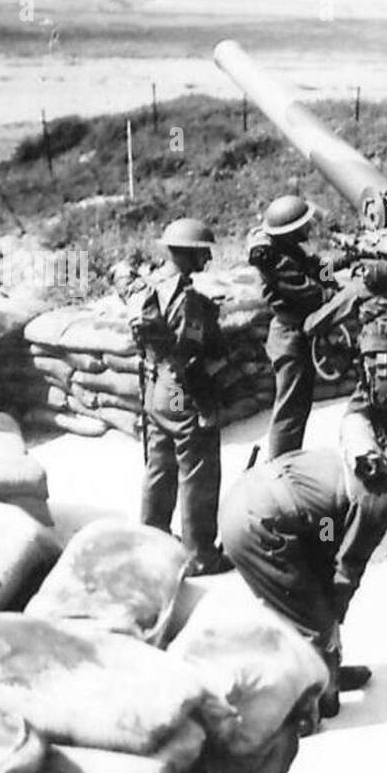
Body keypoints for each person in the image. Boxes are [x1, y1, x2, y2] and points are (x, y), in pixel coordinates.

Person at [220, 416, 387, 718]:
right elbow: (348, 567)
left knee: (308, 603)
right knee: (312, 623)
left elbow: (326, 532)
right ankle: (304, 708)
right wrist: (331, 622)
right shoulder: (379, 497)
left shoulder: (363, 454)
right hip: (256, 527)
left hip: (248, 498)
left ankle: (322, 673)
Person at [129, 217, 231, 576]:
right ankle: (200, 554)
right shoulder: (188, 298)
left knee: (160, 464)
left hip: (157, 388)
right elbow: (191, 357)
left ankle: (150, 535)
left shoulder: (150, 286)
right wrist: (206, 405)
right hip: (182, 390)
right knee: (198, 472)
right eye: (202, 252)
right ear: (187, 253)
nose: (207, 259)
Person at [248, 194, 337, 459]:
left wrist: (335, 267)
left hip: (296, 333)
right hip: (290, 336)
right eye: (303, 224)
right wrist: (338, 291)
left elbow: (319, 268)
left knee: (298, 406)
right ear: (289, 231)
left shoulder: (290, 251)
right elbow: (312, 293)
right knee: (290, 410)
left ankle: (288, 460)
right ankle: (280, 467)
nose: (309, 228)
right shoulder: (278, 262)